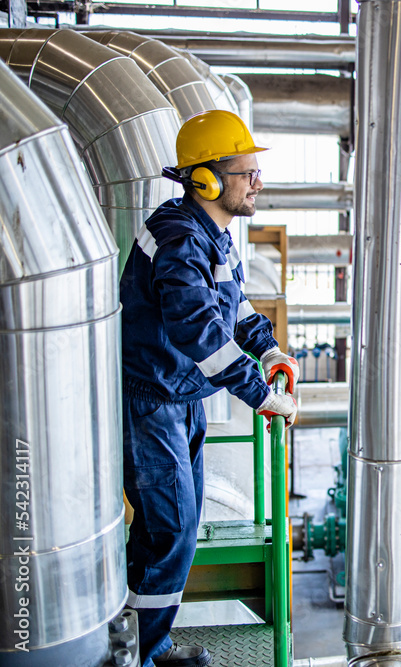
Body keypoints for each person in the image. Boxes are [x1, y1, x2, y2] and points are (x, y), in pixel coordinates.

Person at [120, 109, 299, 667]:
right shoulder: (178, 238)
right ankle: (142, 656)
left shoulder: (212, 237)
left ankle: (146, 646)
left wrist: (267, 348)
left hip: (181, 401)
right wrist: (261, 394)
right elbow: (197, 328)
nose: (258, 184)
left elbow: (234, 308)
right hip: (155, 405)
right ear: (208, 180)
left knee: (173, 531)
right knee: (169, 533)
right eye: (248, 173)